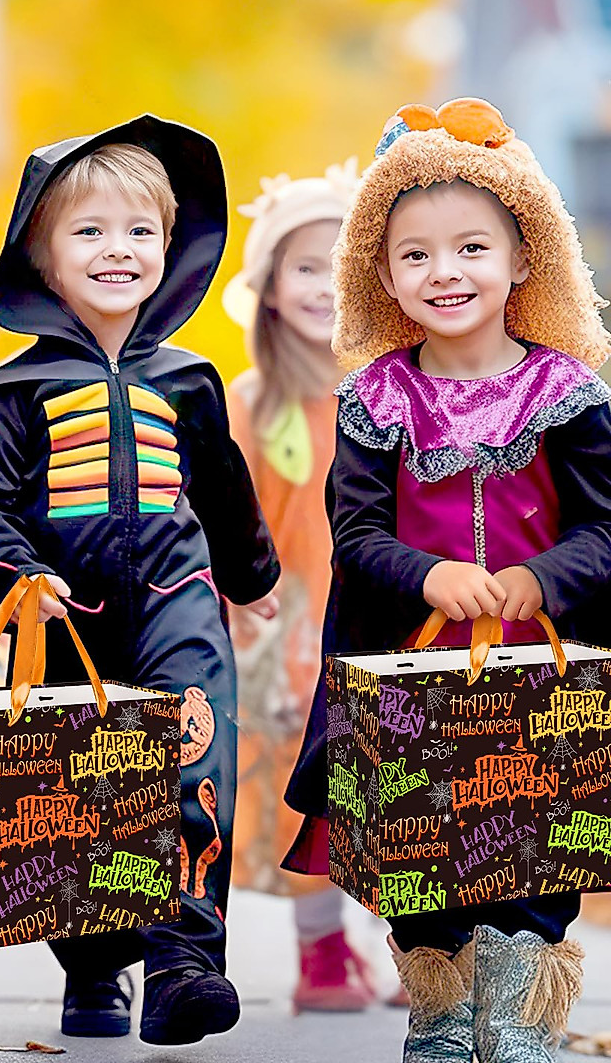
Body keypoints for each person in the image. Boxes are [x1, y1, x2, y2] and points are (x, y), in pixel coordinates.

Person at [0, 114, 280, 1047]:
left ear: (170, 248)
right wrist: (22, 577)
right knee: (77, 795)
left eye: (140, 231)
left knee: (195, 759)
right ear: (42, 259)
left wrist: (251, 577)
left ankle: (182, 964)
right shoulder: (16, 392)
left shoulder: (189, 380)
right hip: (64, 621)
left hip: (178, 604)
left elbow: (223, 486)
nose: (117, 249)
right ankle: (92, 968)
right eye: (88, 231)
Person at [284, 98, 610, 1062]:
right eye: (416, 254)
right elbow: (354, 536)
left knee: (537, 835)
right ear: (382, 274)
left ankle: (516, 1016)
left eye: (472, 248)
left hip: (542, 664)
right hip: (410, 661)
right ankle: (439, 1008)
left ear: (523, 259)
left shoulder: (567, 393)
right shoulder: (375, 399)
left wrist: (542, 577)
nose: (445, 271)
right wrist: (426, 574)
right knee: (421, 843)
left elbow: (605, 526)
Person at [224, 161, 378, 1012]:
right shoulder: (253, 404)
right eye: (304, 267)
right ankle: (320, 949)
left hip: (379, 610)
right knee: (305, 784)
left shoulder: (390, 393)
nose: (323, 285)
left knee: (396, 776)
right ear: (272, 290)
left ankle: (415, 950)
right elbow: (234, 527)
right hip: (288, 623)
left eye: (339, 264)